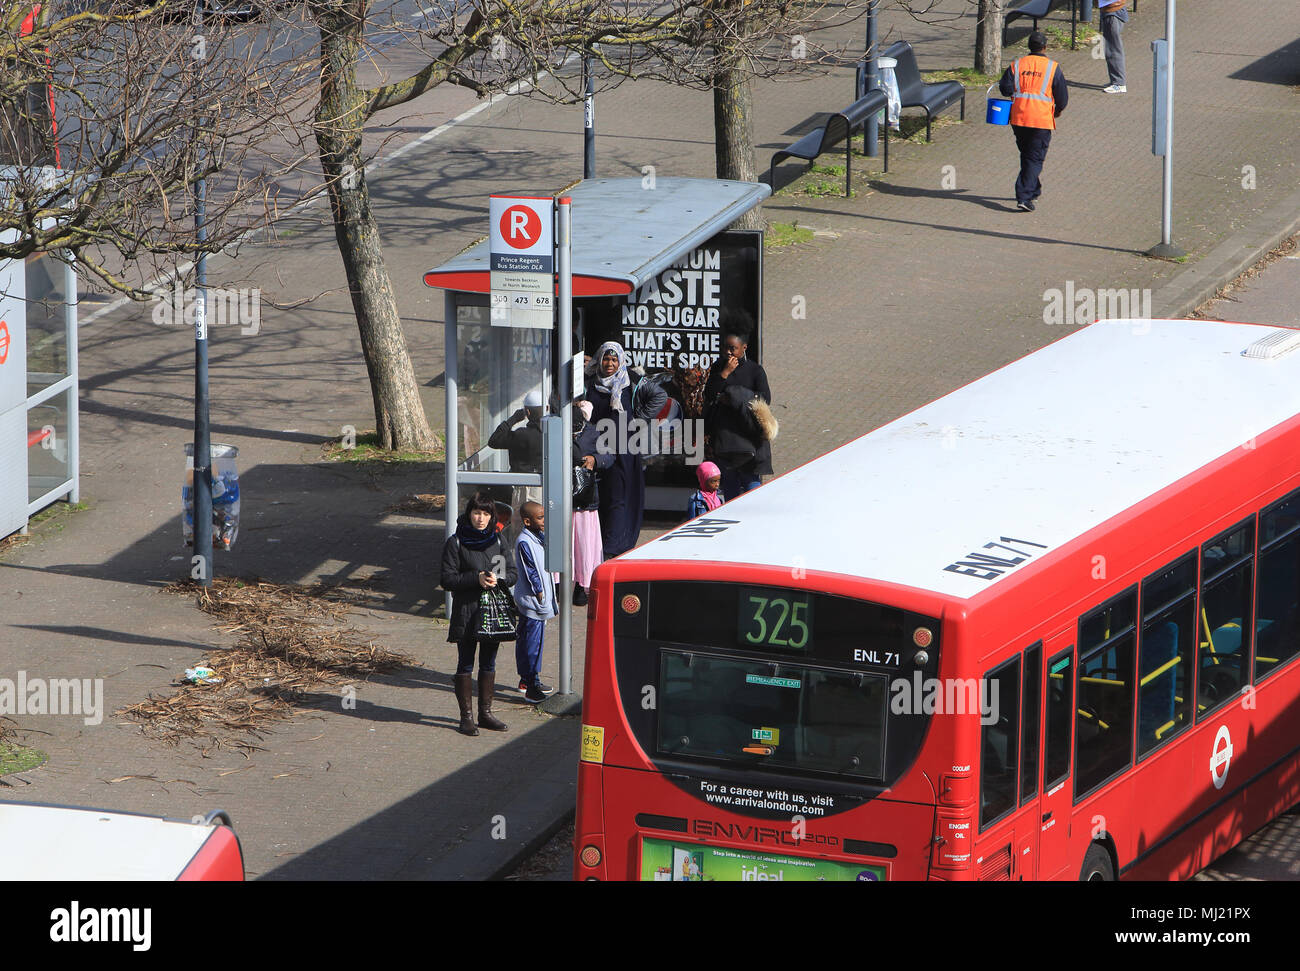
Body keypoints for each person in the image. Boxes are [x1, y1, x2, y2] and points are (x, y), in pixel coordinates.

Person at [440, 492, 517, 736]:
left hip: (492, 612)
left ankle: (486, 713)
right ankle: (467, 718)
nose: (480, 519)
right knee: (465, 664)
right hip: (466, 612)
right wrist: (476, 578)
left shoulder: (498, 540)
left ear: (492, 516)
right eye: (476, 513)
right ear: (468, 514)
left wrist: (499, 578)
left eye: (485, 514)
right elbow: (447, 579)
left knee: (489, 662)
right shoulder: (456, 542)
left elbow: (512, 572)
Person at [703, 312, 775, 501]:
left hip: (749, 444)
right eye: (725, 347)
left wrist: (734, 396)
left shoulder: (755, 371)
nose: (728, 352)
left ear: (744, 348)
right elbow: (709, 395)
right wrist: (724, 374)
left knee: (753, 494)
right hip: (726, 446)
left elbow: (764, 400)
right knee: (731, 495)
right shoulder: (719, 367)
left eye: (733, 348)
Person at [587, 341, 645, 559]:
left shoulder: (630, 382)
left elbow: (658, 397)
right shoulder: (589, 383)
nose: (609, 364)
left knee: (618, 498)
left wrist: (640, 421)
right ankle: (598, 545)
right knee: (598, 498)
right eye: (606, 359)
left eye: (614, 360)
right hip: (595, 450)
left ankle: (614, 549)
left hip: (623, 452)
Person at [999, 31, 1067, 212]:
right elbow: (1062, 97)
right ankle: (1024, 196)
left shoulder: (1017, 65)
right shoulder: (1053, 67)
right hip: (1040, 120)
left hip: (1019, 118)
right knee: (1035, 158)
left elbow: (1004, 89)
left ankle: (1034, 189)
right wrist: (1058, 110)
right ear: (1045, 47)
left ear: (1029, 47)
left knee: (1028, 155)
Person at [513, 500, 556, 703]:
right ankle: (530, 684)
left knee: (530, 641)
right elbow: (531, 570)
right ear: (527, 521)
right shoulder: (525, 541)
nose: (544, 521)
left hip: (535, 602)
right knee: (532, 644)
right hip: (533, 603)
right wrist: (539, 593)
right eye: (540, 517)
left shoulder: (538, 536)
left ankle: (530, 679)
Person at [488, 390, 544, 536]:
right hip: (546, 486)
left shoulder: (521, 435)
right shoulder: (552, 433)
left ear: (527, 412)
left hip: (523, 487)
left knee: (521, 530)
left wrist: (512, 419)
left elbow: (494, 441)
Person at [572, 399, 611, 606]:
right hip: (562, 497)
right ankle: (562, 585)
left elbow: (609, 456)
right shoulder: (559, 430)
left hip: (585, 499)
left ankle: (582, 585)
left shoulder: (594, 432)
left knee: (584, 545)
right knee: (565, 545)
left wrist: (594, 460)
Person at [1099, 0, 1128, 94]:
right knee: (1112, 47)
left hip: (1112, 11)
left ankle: (1119, 83)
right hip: (1112, 10)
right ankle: (1116, 81)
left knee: (1113, 48)